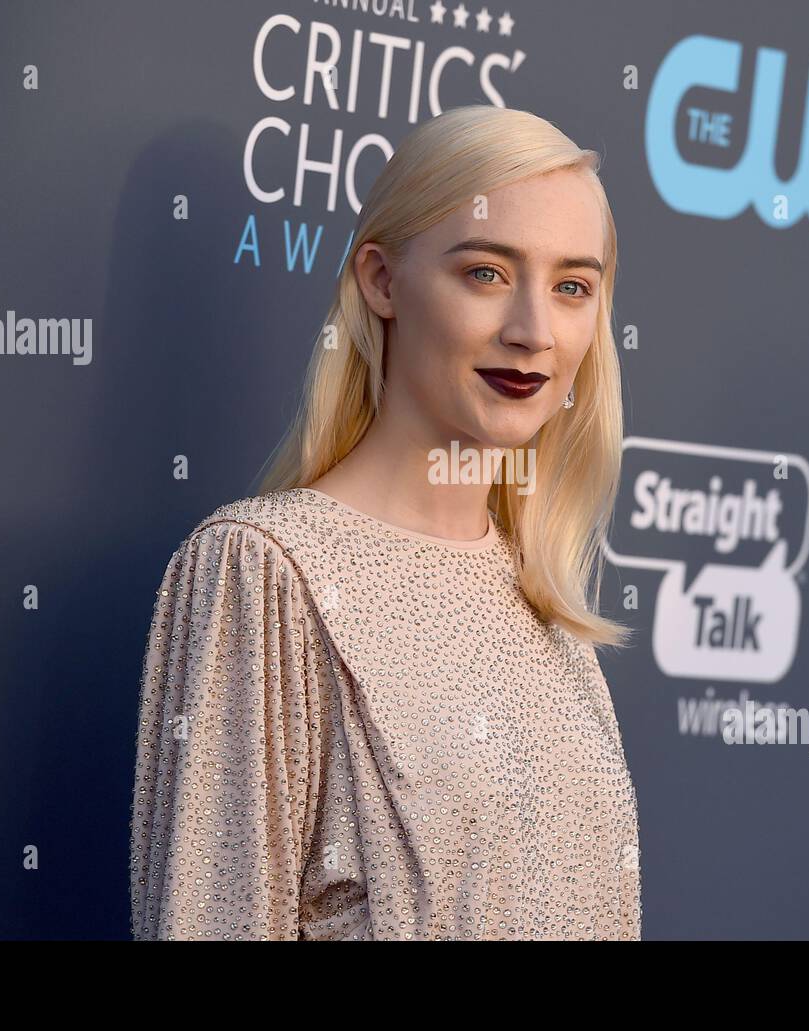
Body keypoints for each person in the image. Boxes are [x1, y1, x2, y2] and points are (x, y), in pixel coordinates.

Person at [129, 104, 641, 940]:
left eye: (572, 287)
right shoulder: (263, 572)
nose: (533, 332)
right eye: (485, 272)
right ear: (381, 279)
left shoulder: (543, 606)